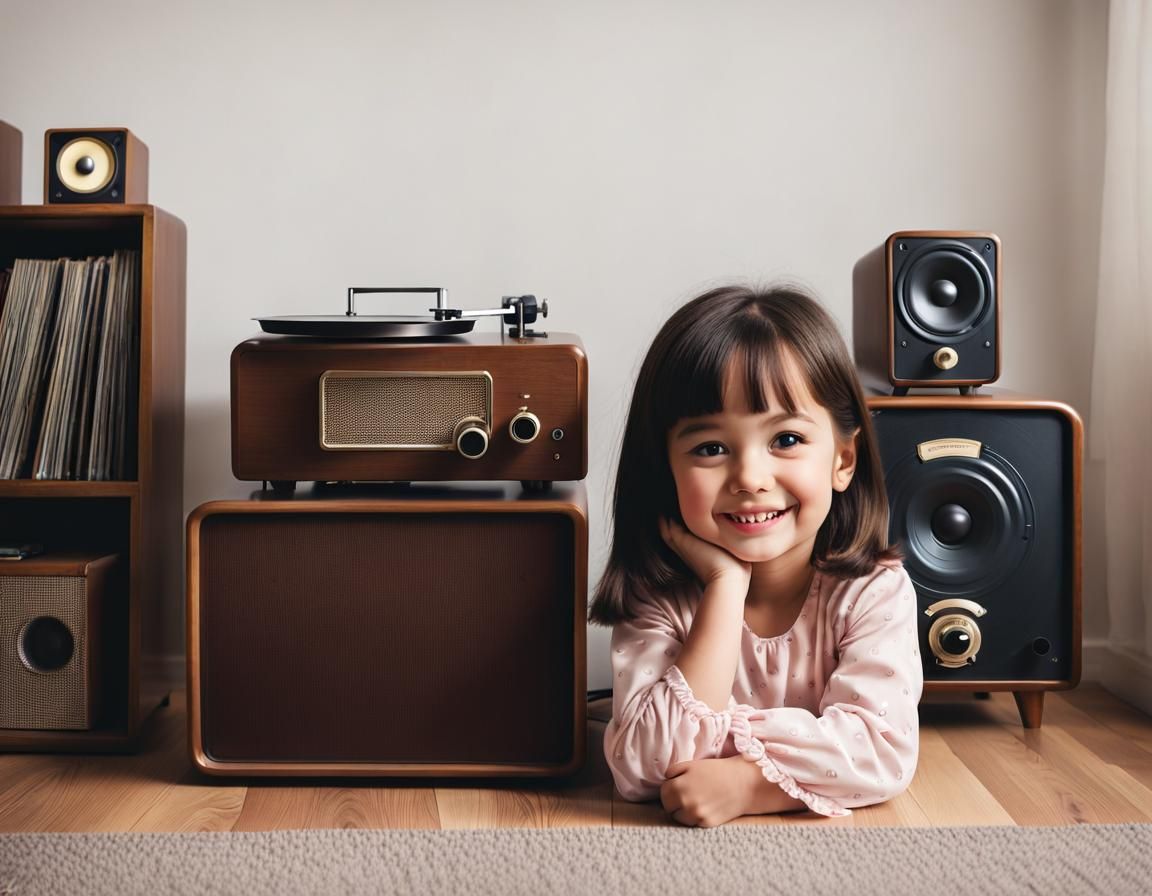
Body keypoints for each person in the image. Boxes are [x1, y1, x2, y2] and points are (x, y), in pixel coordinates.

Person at [589, 283, 922, 827]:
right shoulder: (660, 598)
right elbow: (640, 767)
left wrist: (751, 784)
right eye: (711, 448)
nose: (749, 478)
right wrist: (724, 586)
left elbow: (881, 750)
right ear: (665, 471)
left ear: (843, 459)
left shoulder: (872, 592)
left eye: (786, 440)